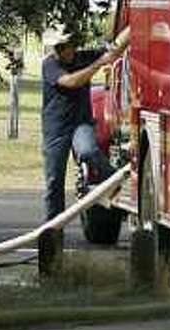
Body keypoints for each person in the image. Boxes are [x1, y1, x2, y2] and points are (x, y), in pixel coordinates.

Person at [40, 28, 130, 220]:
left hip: (80, 123)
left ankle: (115, 181)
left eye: (63, 46)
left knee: (88, 151)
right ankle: (53, 227)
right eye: (57, 47)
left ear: (71, 46)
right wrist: (97, 65)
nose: (60, 51)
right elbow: (71, 82)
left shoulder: (84, 57)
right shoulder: (50, 64)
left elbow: (114, 48)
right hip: (56, 128)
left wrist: (131, 29)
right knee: (54, 180)